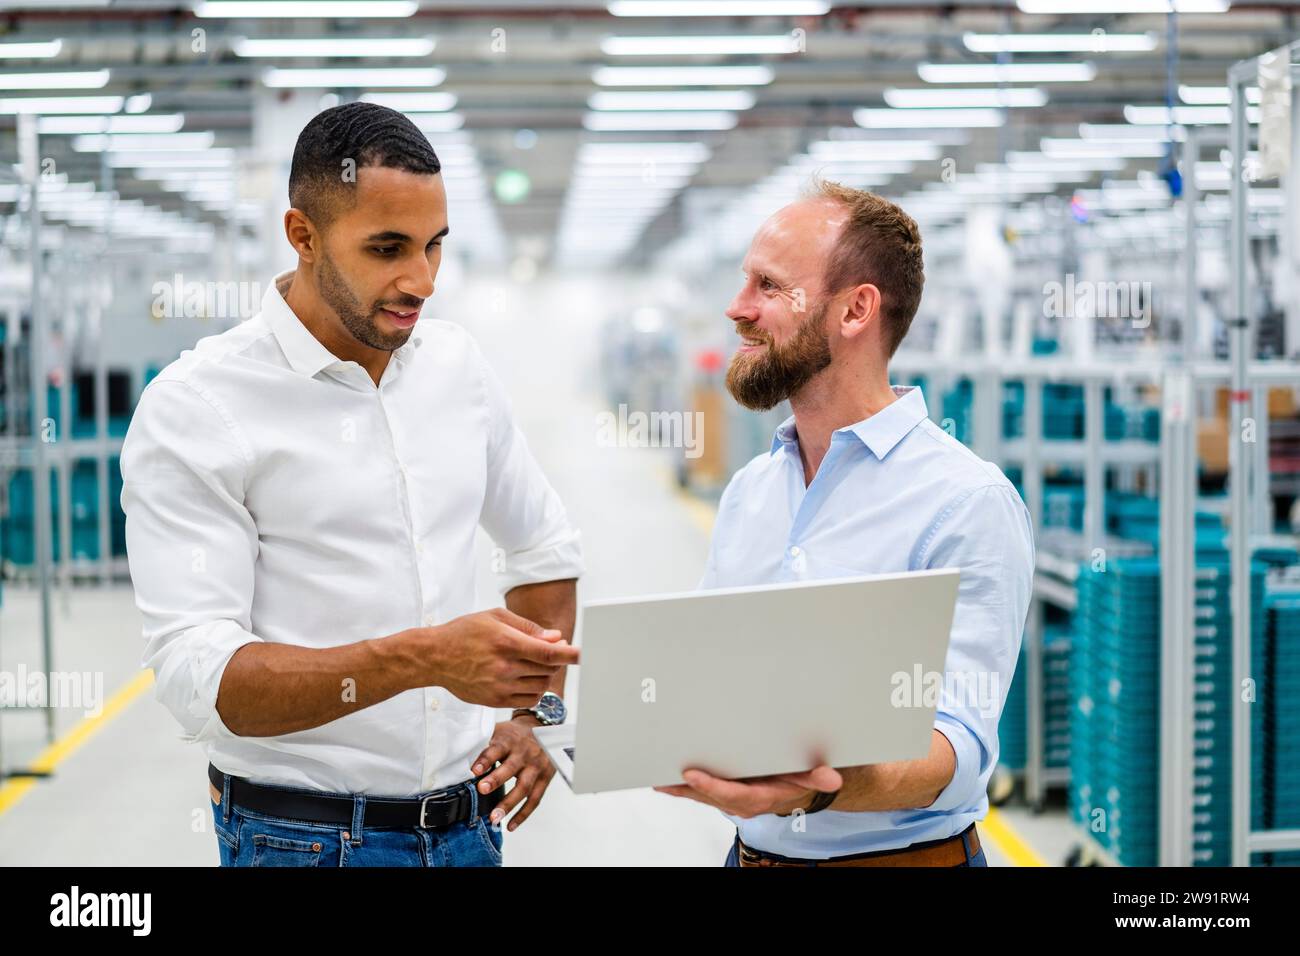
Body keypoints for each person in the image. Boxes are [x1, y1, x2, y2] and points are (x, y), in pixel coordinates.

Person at [120, 102, 582, 867]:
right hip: (302, 840)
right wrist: (423, 658)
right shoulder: (199, 406)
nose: (421, 279)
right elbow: (199, 675)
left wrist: (537, 719)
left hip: (468, 830)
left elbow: (543, 546)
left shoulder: (456, 368)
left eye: (435, 246)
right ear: (302, 235)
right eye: (387, 248)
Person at [655, 180, 1034, 868]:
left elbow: (959, 750)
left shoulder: (965, 500)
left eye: (767, 287)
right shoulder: (751, 491)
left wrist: (810, 793)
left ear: (856, 309)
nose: (736, 309)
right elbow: (717, 676)